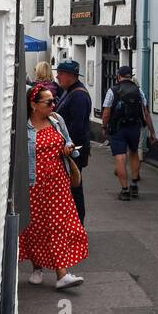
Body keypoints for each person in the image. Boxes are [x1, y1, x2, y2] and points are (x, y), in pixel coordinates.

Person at [20, 83, 88, 290]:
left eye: (54, 100)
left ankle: (62, 274)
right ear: (34, 104)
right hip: (34, 185)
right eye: (49, 101)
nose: (53, 104)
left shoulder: (57, 120)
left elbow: (68, 142)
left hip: (59, 184)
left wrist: (69, 149)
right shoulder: (25, 127)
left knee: (59, 226)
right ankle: (37, 269)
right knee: (36, 228)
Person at [102, 65, 157, 201]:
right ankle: (134, 185)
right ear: (130, 77)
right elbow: (146, 113)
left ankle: (124, 190)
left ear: (118, 76)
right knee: (133, 153)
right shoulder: (139, 91)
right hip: (134, 127)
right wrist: (152, 132)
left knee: (120, 158)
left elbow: (106, 112)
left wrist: (104, 126)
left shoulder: (112, 91)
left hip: (118, 129)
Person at [54, 60, 93, 225]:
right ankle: (73, 223)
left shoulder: (78, 95)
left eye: (61, 74)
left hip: (74, 150)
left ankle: (78, 225)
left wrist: (69, 147)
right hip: (71, 149)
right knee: (70, 188)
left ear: (70, 76)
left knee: (75, 188)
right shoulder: (70, 92)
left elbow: (77, 127)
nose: (57, 76)